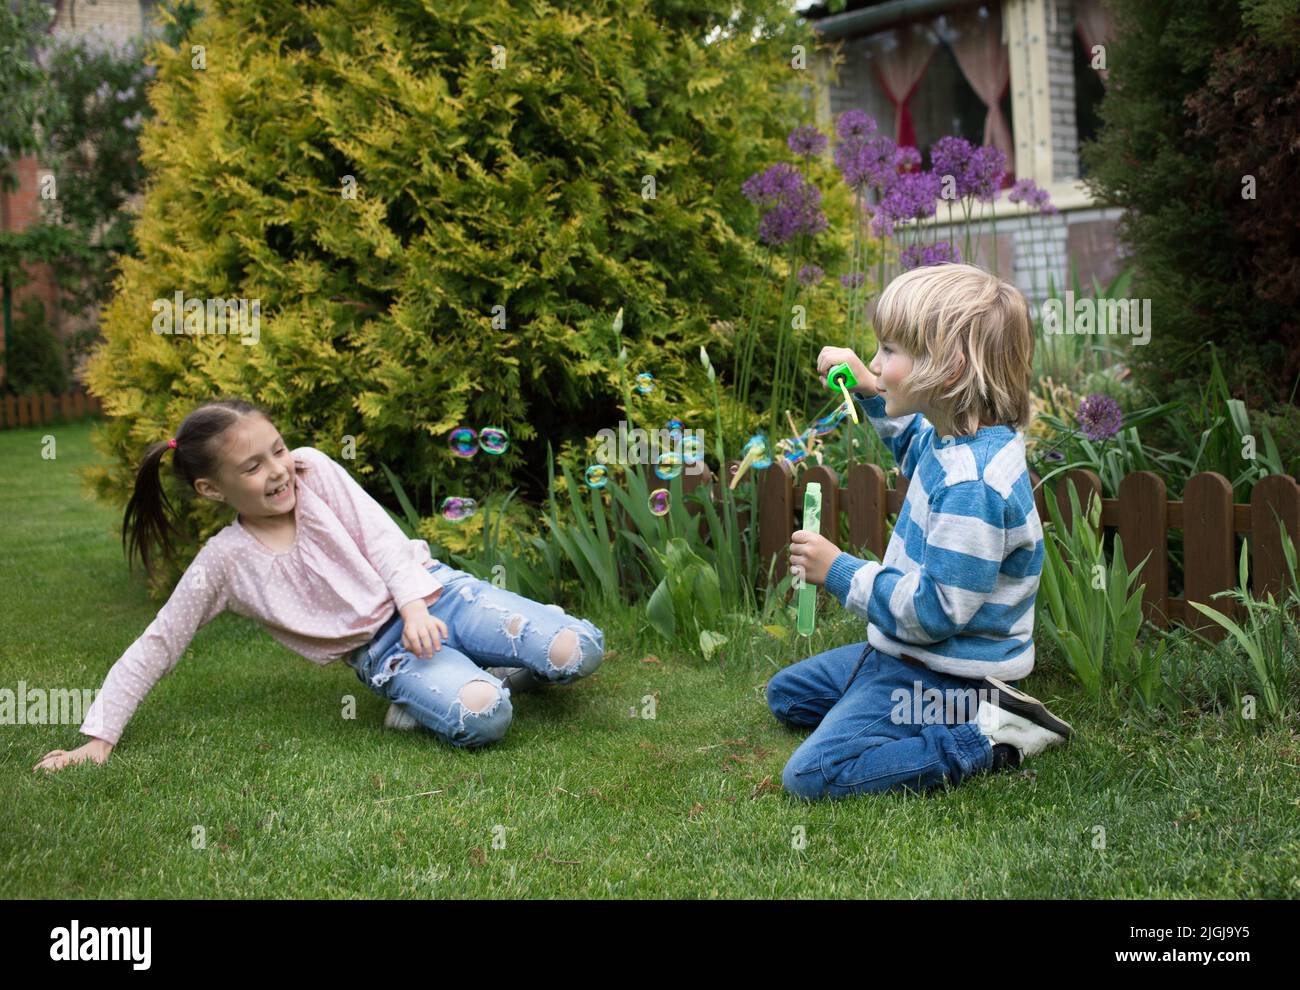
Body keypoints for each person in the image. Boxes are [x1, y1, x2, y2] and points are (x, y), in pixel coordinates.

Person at [33, 398, 603, 772]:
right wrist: (99, 738)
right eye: (252, 467)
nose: (278, 469)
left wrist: (413, 606)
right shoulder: (223, 563)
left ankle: (512, 646)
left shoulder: (311, 469)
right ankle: (438, 691)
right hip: (388, 651)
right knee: (485, 716)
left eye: (275, 449)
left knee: (577, 650)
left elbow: (382, 539)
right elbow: (157, 643)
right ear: (211, 489)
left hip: (434, 594)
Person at [768, 263, 1072, 801]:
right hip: (900, 652)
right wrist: (868, 387)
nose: (877, 362)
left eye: (889, 352)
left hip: (944, 672)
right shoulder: (954, 436)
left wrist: (837, 571)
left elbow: (934, 613)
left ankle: (990, 737)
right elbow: (909, 440)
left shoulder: (973, 488)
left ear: (947, 370)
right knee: (786, 697)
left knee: (811, 776)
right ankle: (884, 701)